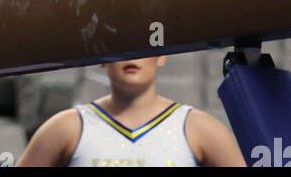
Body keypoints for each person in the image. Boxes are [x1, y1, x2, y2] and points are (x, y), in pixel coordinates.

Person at [16, 57, 246, 166]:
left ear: (162, 55)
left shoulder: (200, 128)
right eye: (122, 45)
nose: (132, 55)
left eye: (143, 44)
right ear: (101, 58)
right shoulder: (66, 127)